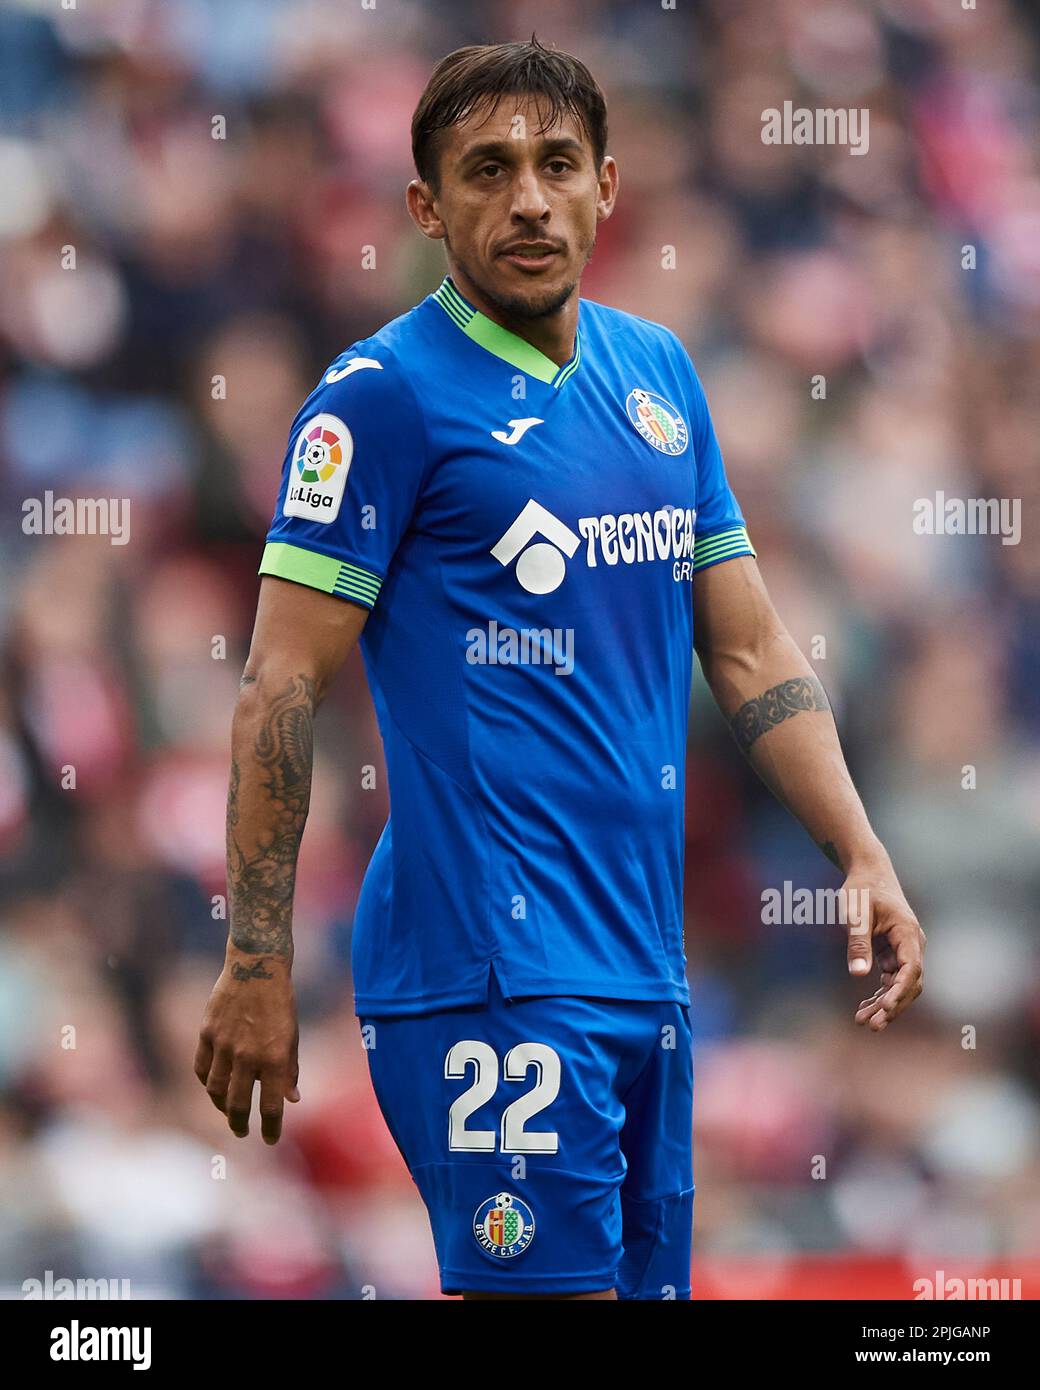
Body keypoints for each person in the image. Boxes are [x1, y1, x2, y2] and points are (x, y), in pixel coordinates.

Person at [195, 37, 925, 1301]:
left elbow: (745, 645)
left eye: (555, 164)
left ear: (605, 187)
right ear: (426, 208)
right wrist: (256, 964)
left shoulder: (659, 376)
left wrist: (857, 848)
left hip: (643, 965)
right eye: (486, 170)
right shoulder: (376, 400)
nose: (526, 198)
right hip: (490, 972)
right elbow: (277, 685)